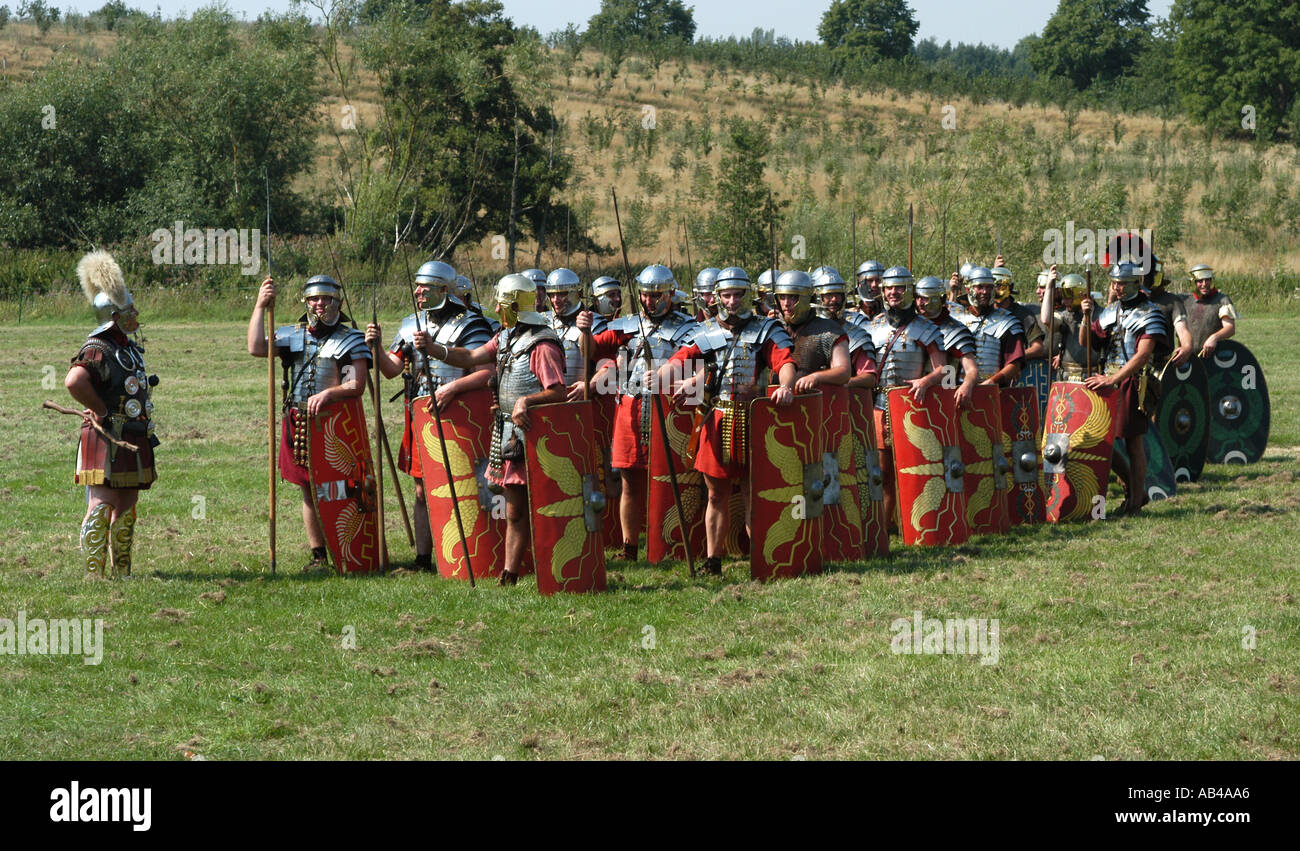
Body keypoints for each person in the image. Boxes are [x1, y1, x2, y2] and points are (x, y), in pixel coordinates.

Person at [423, 273, 567, 585]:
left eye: (501, 305)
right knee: (513, 507)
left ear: (514, 307)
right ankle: (512, 572)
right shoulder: (505, 337)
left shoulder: (541, 344)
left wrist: (526, 400)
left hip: (537, 439)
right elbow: (472, 356)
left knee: (537, 509)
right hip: (510, 435)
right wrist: (434, 348)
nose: (497, 310)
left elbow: (557, 391)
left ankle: (538, 571)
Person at [664, 267, 797, 575]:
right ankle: (713, 561)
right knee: (716, 494)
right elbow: (679, 361)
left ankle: (761, 561)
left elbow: (785, 361)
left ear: (747, 295)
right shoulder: (706, 331)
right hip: (719, 418)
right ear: (718, 297)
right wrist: (659, 377)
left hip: (755, 419)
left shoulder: (766, 329)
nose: (733, 300)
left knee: (755, 493)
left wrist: (786, 385)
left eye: (738, 294)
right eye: (727, 294)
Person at [363, 260, 493, 572]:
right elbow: (392, 370)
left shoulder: (471, 324)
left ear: (444, 290)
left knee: (466, 485)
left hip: (459, 415)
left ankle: (470, 552)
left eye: (425, 287)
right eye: (418, 287)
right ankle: (423, 560)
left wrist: (451, 390)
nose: (418, 292)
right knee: (423, 489)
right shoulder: (411, 324)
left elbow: (487, 373)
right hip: (422, 415)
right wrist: (377, 348)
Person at [248, 274, 370, 571]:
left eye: (326, 299)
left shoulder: (351, 339)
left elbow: (357, 385)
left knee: (339, 488)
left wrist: (329, 393)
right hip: (300, 421)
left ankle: (347, 549)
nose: (319, 305)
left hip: (335, 424)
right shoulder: (294, 335)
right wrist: (261, 306)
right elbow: (256, 347)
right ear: (307, 302)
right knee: (308, 488)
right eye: (314, 299)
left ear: (337, 302)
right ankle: (319, 555)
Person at [588, 265, 699, 562]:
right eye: (646, 295)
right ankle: (629, 547)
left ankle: (671, 544)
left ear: (671, 294)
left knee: (672, 478)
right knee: (629, 480)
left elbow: (704, 368)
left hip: (671, 410)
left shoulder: (690, 328)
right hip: (631, 407)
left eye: (656, 295)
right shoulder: (626, 326)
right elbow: (591, 350)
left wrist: (680, 380)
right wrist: (585, 328)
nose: (650, 301)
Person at [65, 251, 159, 577]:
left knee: (127, 508)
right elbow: (74, 380)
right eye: (127, 310)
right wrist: (101, 411)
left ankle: (122, 573)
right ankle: (95, 575)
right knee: (102, 506)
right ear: (113, 314)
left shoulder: (127, 346)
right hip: (106, 434)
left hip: (132, 433)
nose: (134, 314)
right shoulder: (99, 346)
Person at [1081, 262, 1169, 514]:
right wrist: (1086, 317)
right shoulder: (1110, 312)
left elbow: (1142, 356)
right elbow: (1087, 342)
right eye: (1114, 283)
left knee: (1132, 443)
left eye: (1121, 284)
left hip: (1134, 383)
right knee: (1101, 440)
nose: (1117, 288)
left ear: (1134, 284)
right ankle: (1136, 491)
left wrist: (1113, 380)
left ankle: (1134, 502)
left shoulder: (1150, 313)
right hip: (1107, 380)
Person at [867, 266, 948, 525]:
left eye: (899, 287)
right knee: (882, 471)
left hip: (912, 406)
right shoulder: (874, 325)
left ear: (910, 291)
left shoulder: (925, 328)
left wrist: (926, 380)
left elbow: (943, 370)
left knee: (915, 469)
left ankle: (917, 526)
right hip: (879, 405)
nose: (893, 293)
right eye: (889, 288)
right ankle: (884, 526)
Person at [949, 266, 1027, 387]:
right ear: (968, 289)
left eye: (989, 287)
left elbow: (1015, 363)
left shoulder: (1006, 321)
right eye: (980, 287)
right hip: (956, 388)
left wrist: (992, 381)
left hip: (991, 391)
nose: (985, 292)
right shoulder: (955, 319)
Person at [773, 270, 850, 390]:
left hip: (813, 403)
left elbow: (844, 372)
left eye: (793, 297)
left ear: (808, 298)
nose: (786, 303)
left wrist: (816, 377)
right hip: (775, 401)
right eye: (782, 297)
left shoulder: (829, 330)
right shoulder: (774, 330)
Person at [914, 275, 977, 408]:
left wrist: (967, 385)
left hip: (944, 398)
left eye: (925, 298)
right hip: (914, 398)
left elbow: (971, 369)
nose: (919, 302)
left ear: (940, 299)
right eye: (917, 297)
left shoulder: (955, 330)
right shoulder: (911, 327)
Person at [813, 266, 878, 391]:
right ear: (818, 297)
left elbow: (869, 378)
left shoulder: (856, 335)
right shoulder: (806, 333)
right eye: (828, 295)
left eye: (838, 295)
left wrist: (843, 383)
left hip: (845, 403)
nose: (834, 299)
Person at [1039, 268, 1093, 381]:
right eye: (1062, 296)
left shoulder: (1098, 313)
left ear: (1079, 294)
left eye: (1067, 296)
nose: (1063, 301)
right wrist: (1049, 286)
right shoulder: (1065, 316)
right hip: (1065, 377)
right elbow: (1046, 319)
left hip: (1090, 376)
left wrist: (1088, 315)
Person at [1141, 255, 1193, 369]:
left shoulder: (1172, 301)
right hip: (1132, 364)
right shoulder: (1132, 300)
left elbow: (1182, 329)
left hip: (1160, 365)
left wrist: (1187, 346)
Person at [1184, 263, 1238, 358]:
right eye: (1200, 281)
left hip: (1214, 356)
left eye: (1207, 280)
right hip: (1189, 358)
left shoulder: (1222, 300)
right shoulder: (1185, 301)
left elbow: (1230, 328)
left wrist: (1214, 337)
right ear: (1193, 282)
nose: (1204, 284)